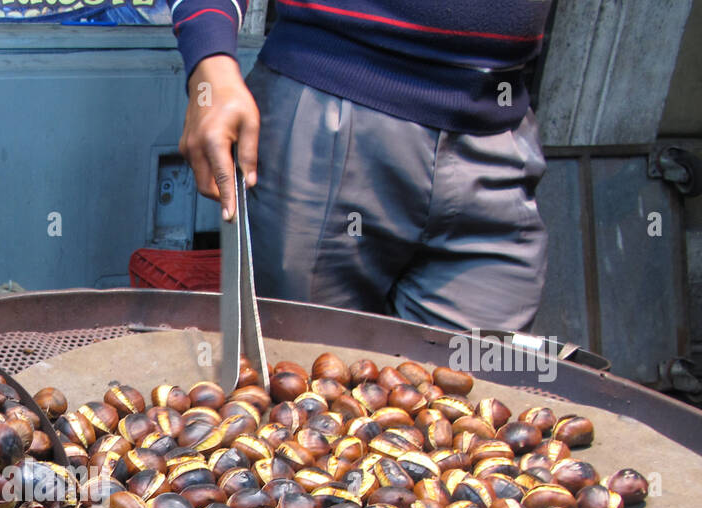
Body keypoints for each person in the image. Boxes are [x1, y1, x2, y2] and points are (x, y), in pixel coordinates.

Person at [173, 1, 552, 332]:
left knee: (477, 383)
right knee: (298, 386)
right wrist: (209, 60)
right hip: (329, 111)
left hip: (499, 125)